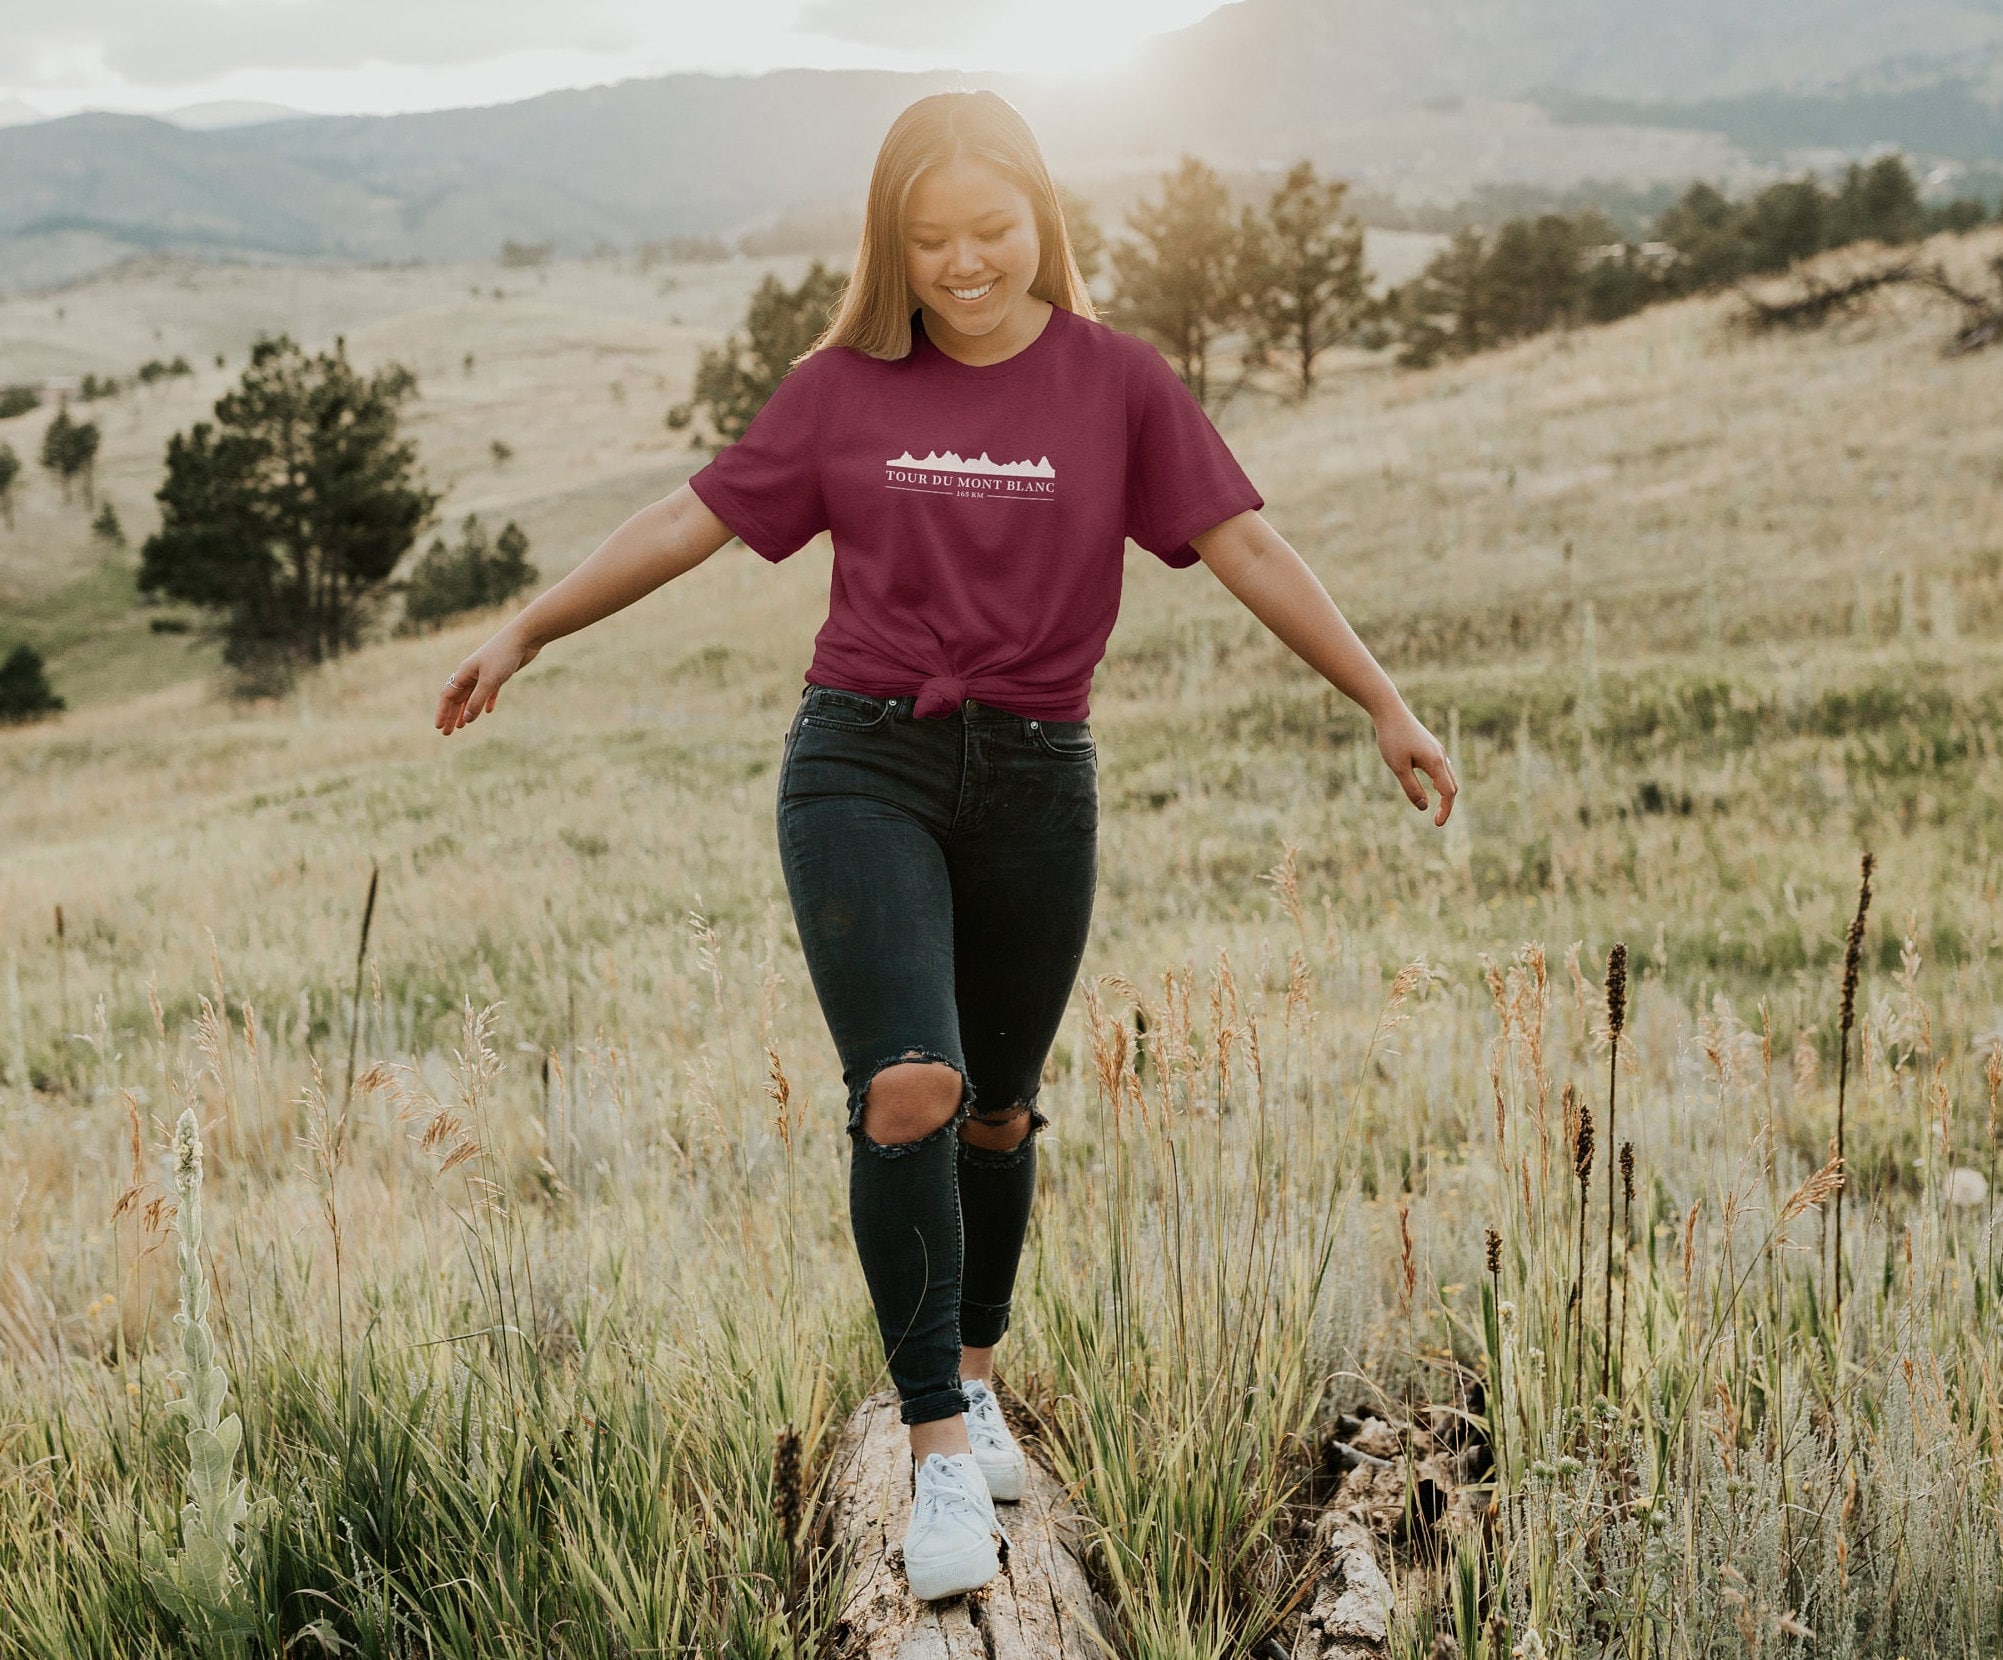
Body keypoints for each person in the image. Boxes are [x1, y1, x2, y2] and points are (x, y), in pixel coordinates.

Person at [433, 90, 1456, 1603]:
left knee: (1001, 1112)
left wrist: (1381, 698)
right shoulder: (844, 387)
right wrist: (526, 625)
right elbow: (689, 518)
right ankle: (930, 1460)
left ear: (1044, 217)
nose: (966, 262)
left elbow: (1243, 540)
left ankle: (971, 1373)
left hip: (1041, 775)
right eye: (932, 240)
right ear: (890, 249)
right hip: (865, 760)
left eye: (991, 228)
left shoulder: (1118, 383)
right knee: (912, 1086)